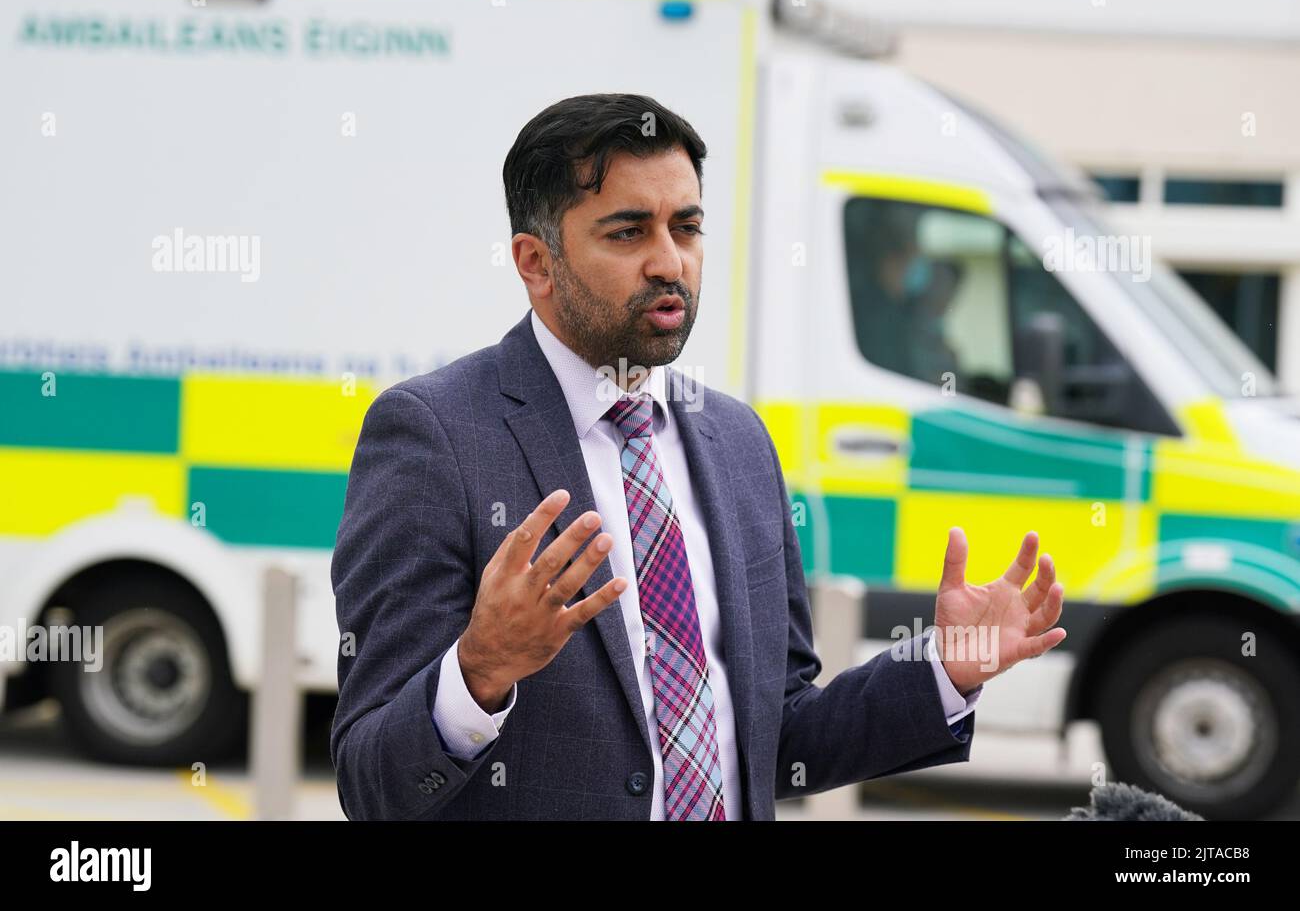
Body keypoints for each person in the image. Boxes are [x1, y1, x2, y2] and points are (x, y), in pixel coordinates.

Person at [329, 93, 1067, 820]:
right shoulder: (436, 436)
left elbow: (779, 737)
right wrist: (479, 669)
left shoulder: (737, 442)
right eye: (627, 232)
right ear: (535, 262)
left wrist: (942, 666)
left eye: (686, 227)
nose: (668, 262)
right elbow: (372, 785)